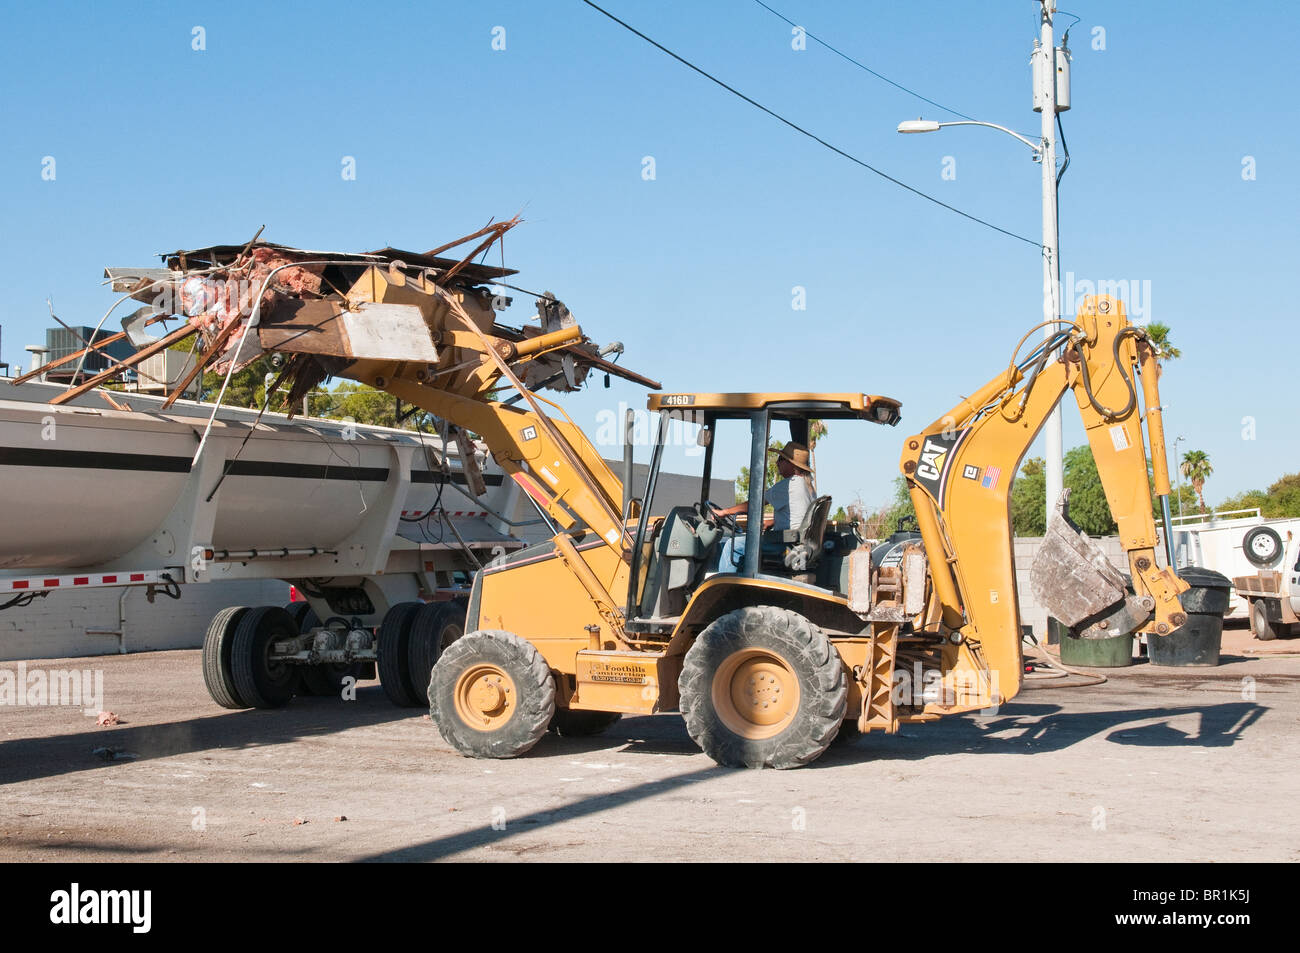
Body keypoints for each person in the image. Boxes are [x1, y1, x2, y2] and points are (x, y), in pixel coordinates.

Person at [714, 440, 817, 545]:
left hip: (785, 543)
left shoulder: (790, 484)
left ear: (791, 464)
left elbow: (755, 504)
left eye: (780, 459)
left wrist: (724, 512)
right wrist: (773, 522)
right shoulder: (808, 486)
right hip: (796, 541)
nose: (777, 463)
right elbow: (799, 517)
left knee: (729, 545)